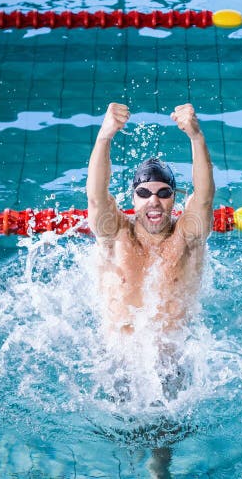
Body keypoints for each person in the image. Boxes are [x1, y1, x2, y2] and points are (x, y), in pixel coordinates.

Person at [86, 102, 214, 335]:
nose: (153, 201)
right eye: (144, 193)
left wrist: (196, 137)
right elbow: (96, 198)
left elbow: (204, 199)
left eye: (163, 193)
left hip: (175, 354)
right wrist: (104, 136)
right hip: (116, 354)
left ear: (174, 198)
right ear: (133, 199)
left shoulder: (187, 237)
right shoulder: (116, 235)